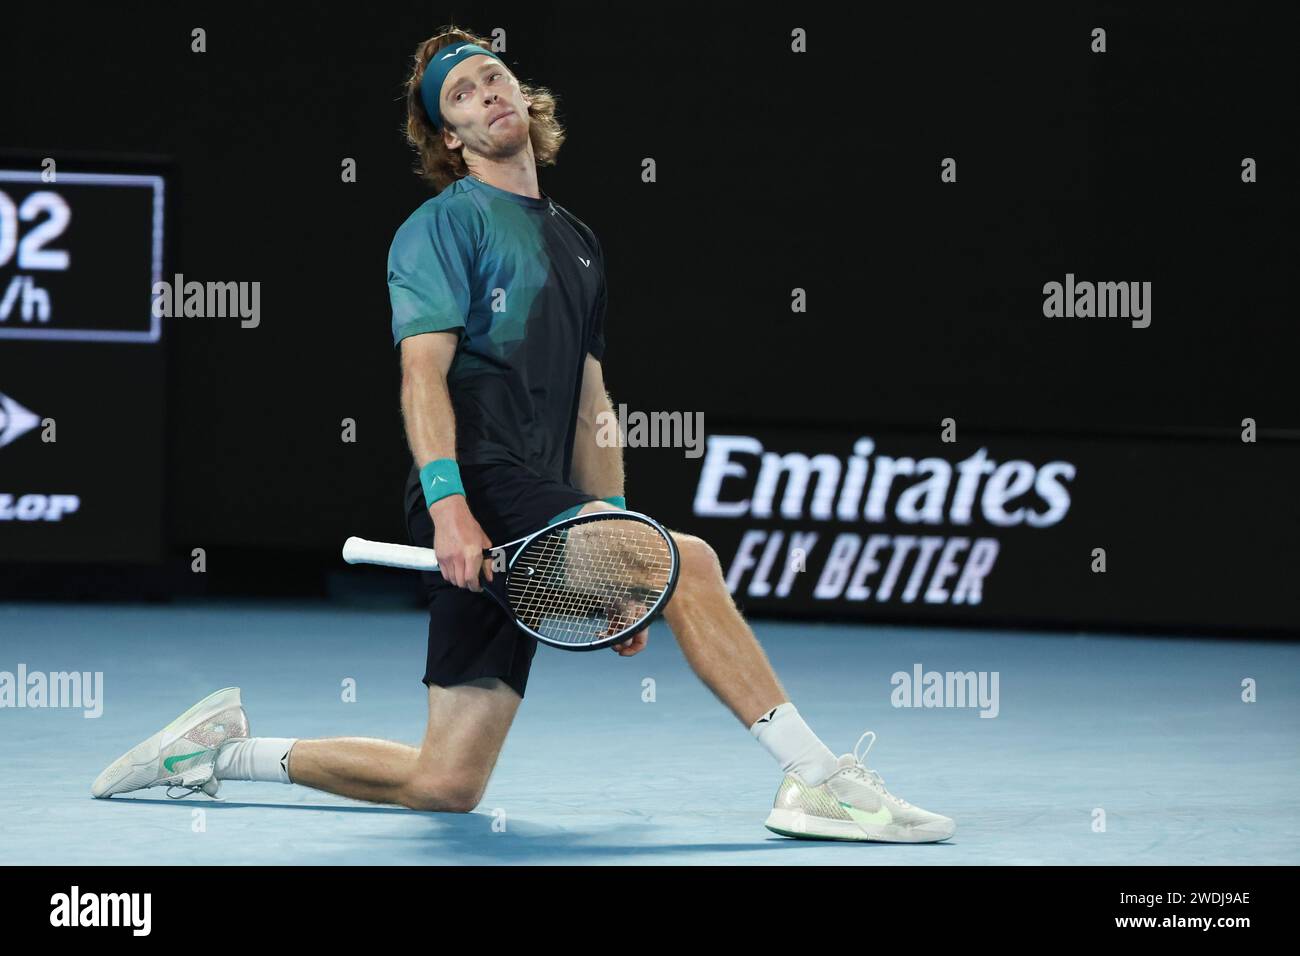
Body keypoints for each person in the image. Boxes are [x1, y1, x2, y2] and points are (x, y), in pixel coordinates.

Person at [91, 27, 955, 843]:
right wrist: (450, 510)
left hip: (537, 499)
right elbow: (421, 375)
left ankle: (216, 752)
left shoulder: (577, 241)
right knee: (689, 560)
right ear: (451, 136)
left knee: (447, 781)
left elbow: (591, 402)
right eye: (460, 94)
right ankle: (814, 779)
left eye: (492, 76)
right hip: (480, 485)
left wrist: (615, 531)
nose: (485, 93)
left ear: (523, 96)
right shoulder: (441, 226)